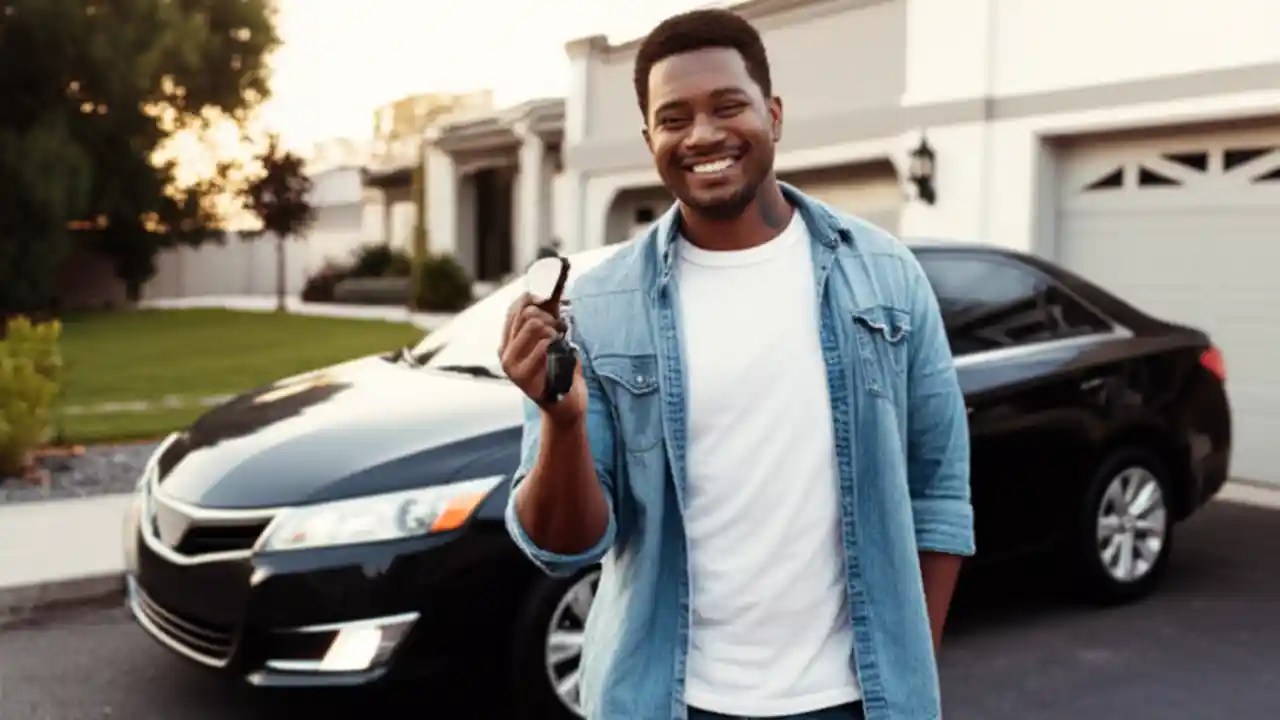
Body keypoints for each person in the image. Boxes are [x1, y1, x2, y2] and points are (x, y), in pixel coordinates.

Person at [498, 8, 974, 720]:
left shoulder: (886, 276)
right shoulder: (598, 307)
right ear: (649, 140)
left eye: (728, 106)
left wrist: (910, 664)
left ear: (773, 116)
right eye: (674, 118)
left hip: (852, 701)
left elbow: (939, 495)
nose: (704, 135)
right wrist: (561, 422)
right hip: (665, 701)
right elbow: (564, 549)